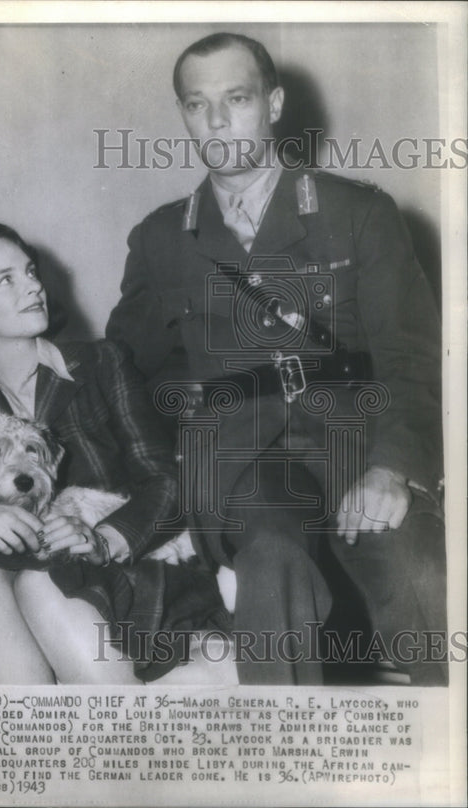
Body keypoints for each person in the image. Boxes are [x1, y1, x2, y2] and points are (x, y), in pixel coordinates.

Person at [106, 32, 447, 685]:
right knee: (269, 560)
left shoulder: (359, 213)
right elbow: (124, 372)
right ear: (182, 114)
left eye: (236, 97)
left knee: (419, 570)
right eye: (196, 103)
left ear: (274, 104)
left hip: (362, 440)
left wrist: (392, 470)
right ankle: (280, 760)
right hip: (242, 464)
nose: (216, 120)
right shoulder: (160, 239)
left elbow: (413, 357)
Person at [0, 222, 230, 685]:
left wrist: (103, 538)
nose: (32, 284)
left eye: (30, 271)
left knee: (41, 578)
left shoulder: (102, 364)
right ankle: (38, 739)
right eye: (5, 279)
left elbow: (164, 483)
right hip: (6, 577)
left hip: (122, 567)